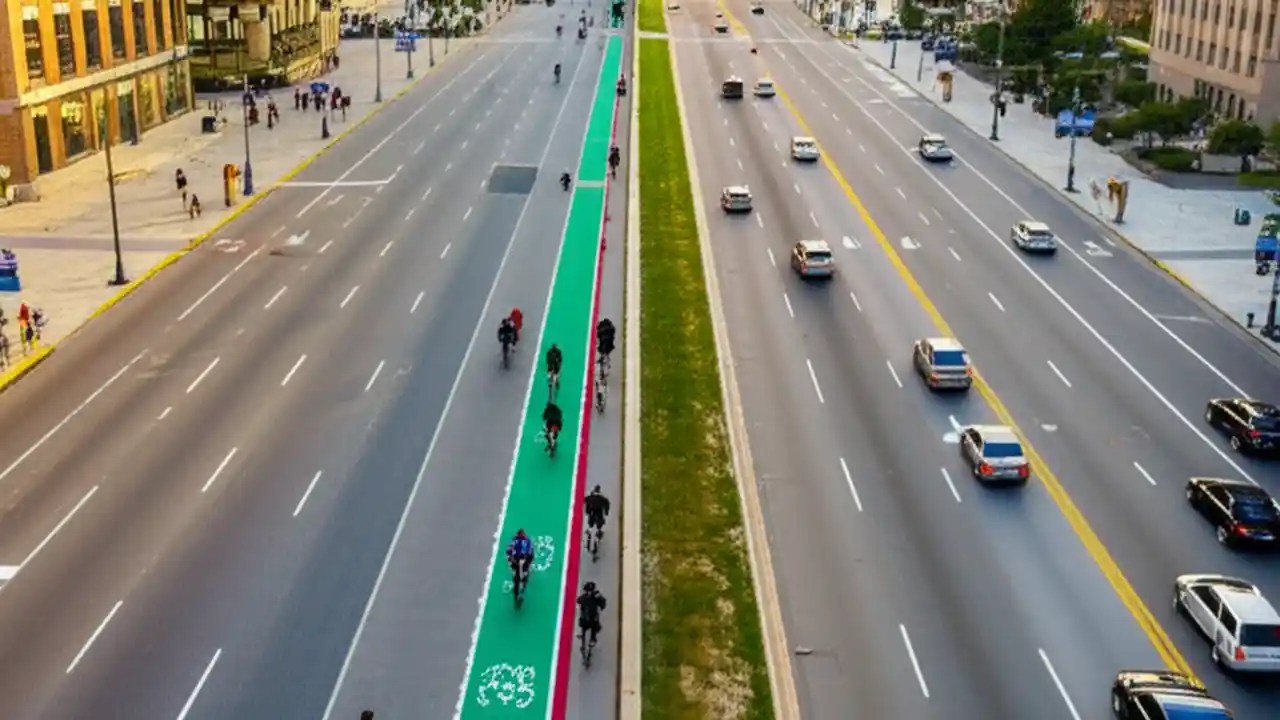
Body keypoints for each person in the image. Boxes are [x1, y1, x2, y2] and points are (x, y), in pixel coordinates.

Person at [577, 581, 607, 647]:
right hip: (585, 616)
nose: (589, 592)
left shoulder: (596, 595)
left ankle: (593, 639)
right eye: (587, 591)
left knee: (594, 624)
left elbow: (602, 602)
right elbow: (578, 600)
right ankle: (582, 633)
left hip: (593, 615)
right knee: (583, 621)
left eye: (590, 590)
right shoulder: (584, 596)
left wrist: (601, 605)